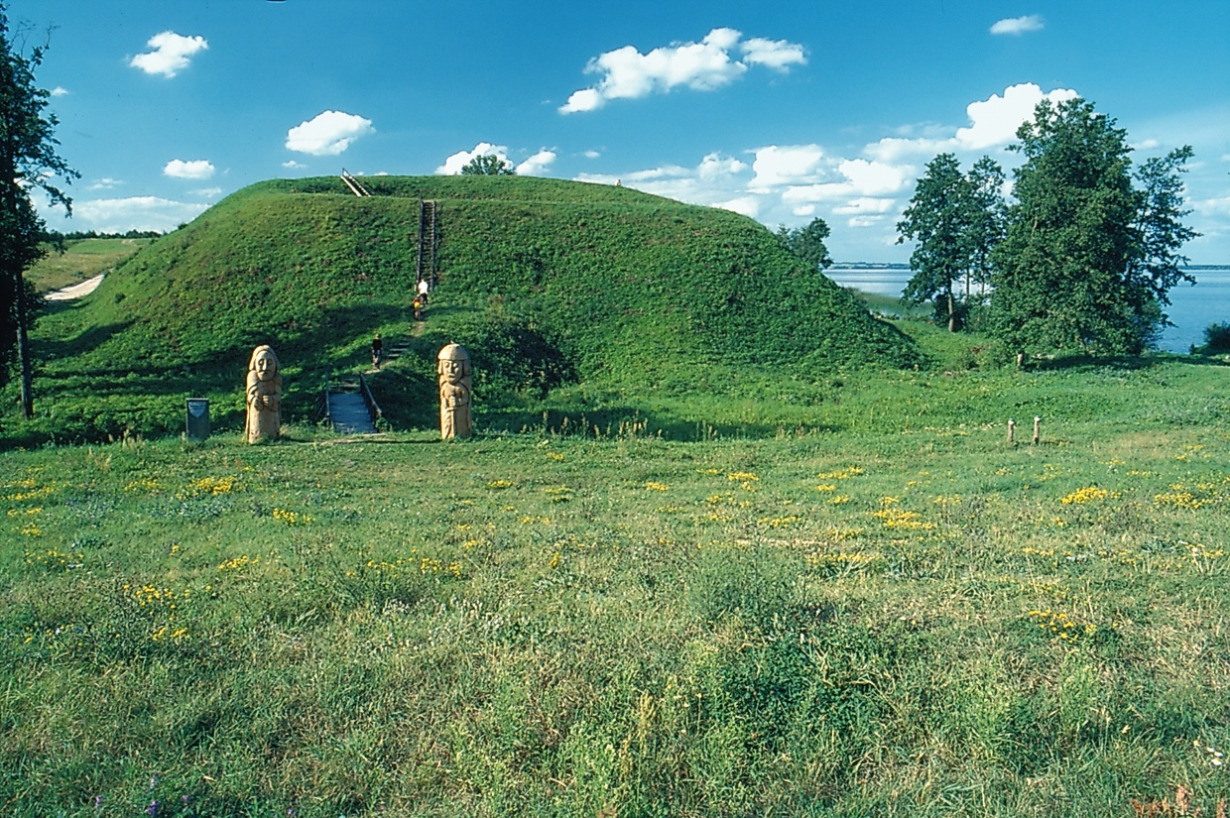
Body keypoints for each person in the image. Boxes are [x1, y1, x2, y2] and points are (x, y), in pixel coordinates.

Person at [245, 345, 282, 443]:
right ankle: (256, 438)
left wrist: (273, 399)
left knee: (272, 430)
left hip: (271, 414)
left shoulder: (276, 378)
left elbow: (279, 395)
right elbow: (249, 394)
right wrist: (253, 399)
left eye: (269, 363)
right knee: (257, 429)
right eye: (260, 363)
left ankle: (273, 437)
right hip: (257, 414)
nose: (265, 368)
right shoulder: (252, 377)